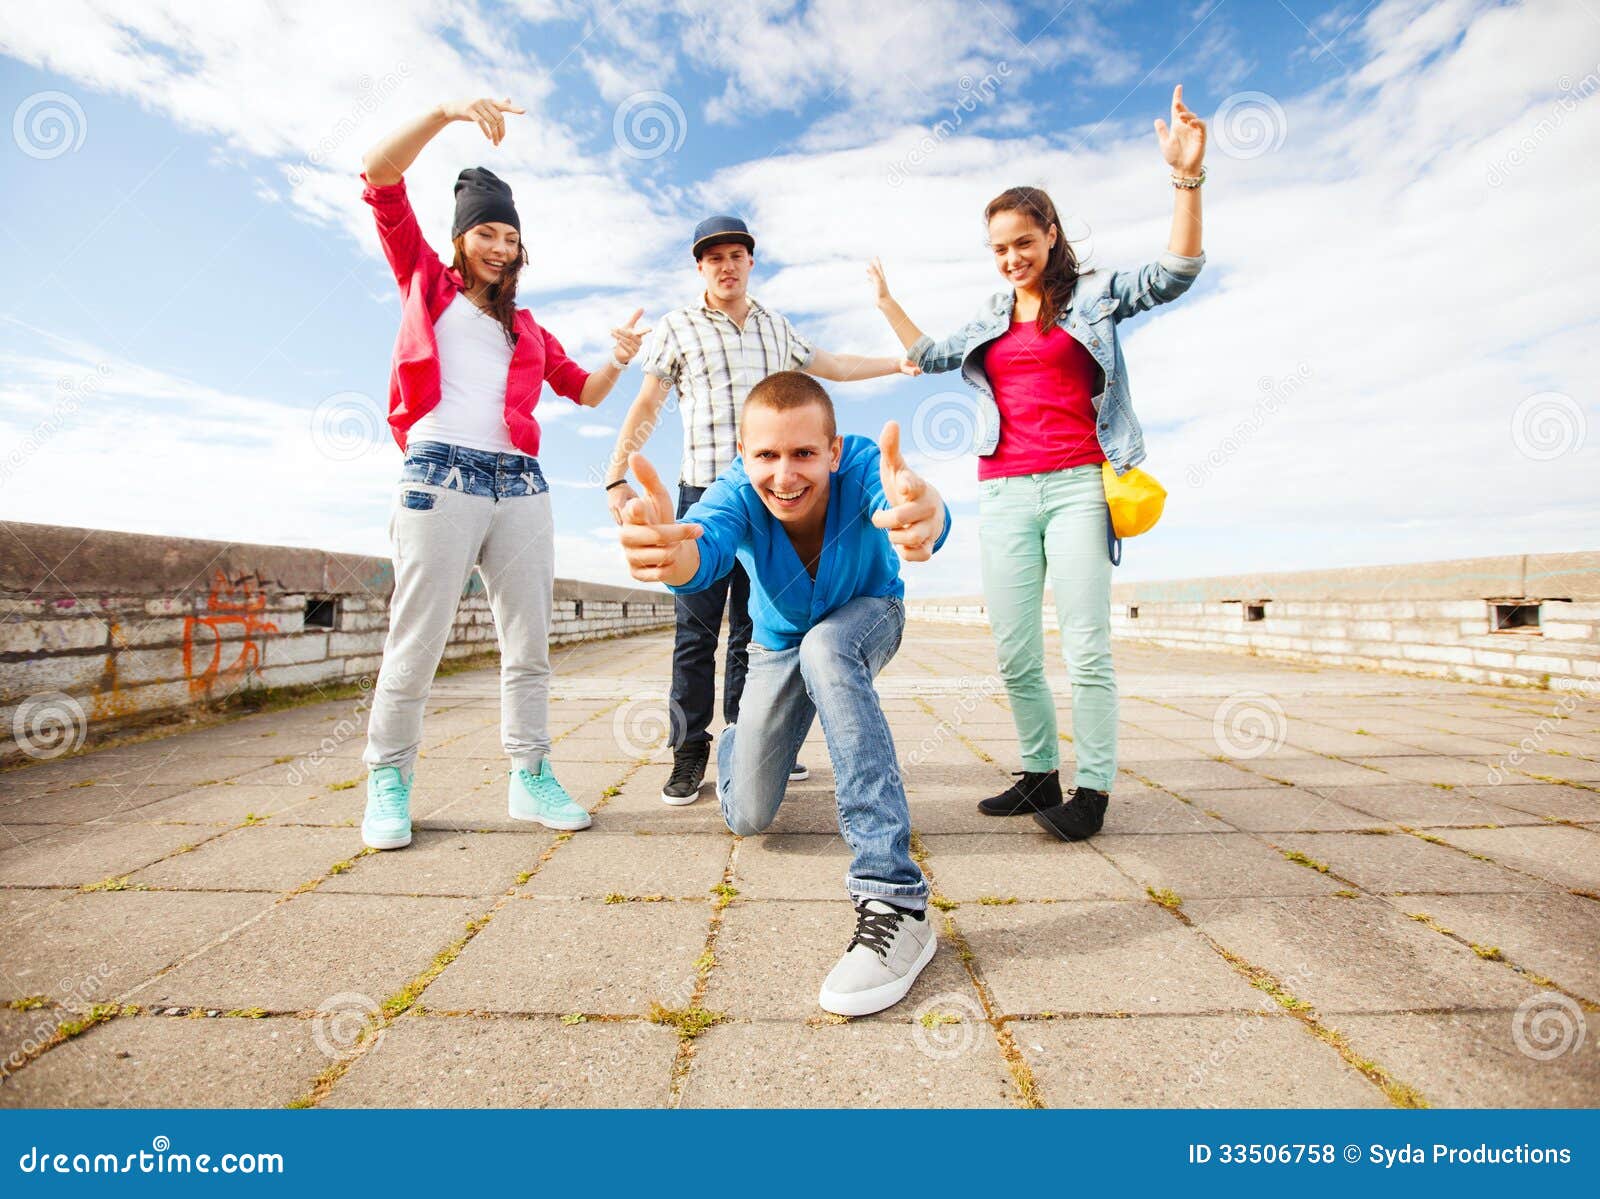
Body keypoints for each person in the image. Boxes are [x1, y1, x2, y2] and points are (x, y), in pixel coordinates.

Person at [867, 83, 1209, 841]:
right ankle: (1036, 773)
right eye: (998, 249)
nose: (1011, 258)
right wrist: (887, 299)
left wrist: (1186, 178)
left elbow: (1175, 273)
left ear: (1050, 234)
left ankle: (1092, 790)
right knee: (1015, 645)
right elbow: (926, 355)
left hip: (1080, 485)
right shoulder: (992, 317)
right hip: (1004, 491)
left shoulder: (1094, 297)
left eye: (1023, 241)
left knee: (1086, 645)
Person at [356, 96, 647, 850]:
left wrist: (617, 354)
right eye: (486, 231)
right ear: (460, 239)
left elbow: (583, 391)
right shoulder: (425, 279)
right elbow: (379, 175)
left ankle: (530, 775)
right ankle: (388, 780)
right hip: (438, 476)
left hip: (521, 486)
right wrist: (446, 111)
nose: (499, 246)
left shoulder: (529, 328)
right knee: (415, 641)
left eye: (510, 236)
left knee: (529, 648)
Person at [616, 371, 951, 1016]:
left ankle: (895, 896)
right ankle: (742, 743)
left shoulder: (861, 468)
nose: (784, 475)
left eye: (803, 454)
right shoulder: (734, 492)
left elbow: (916, 505)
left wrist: (928, 518)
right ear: (744, 456)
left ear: (831, 450)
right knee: (747, 817)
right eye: (766, 455)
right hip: (774, 646)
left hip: (866, 614)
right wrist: (667, 553)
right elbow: (698, 552)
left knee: (827, 648)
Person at [602, 216, 920, 807]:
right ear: (700, 268)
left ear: (750, 262)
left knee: (755, 630)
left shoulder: (776, 327)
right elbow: (648, 401)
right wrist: (616, 473)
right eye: (713, 257)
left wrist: (892, 364)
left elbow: (830, 366)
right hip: (708, 496)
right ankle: (689, 747)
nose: (726, 265)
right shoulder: (677, 329)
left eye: (735, 255)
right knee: (695, 635)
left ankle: (748, 736)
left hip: (781, 497)